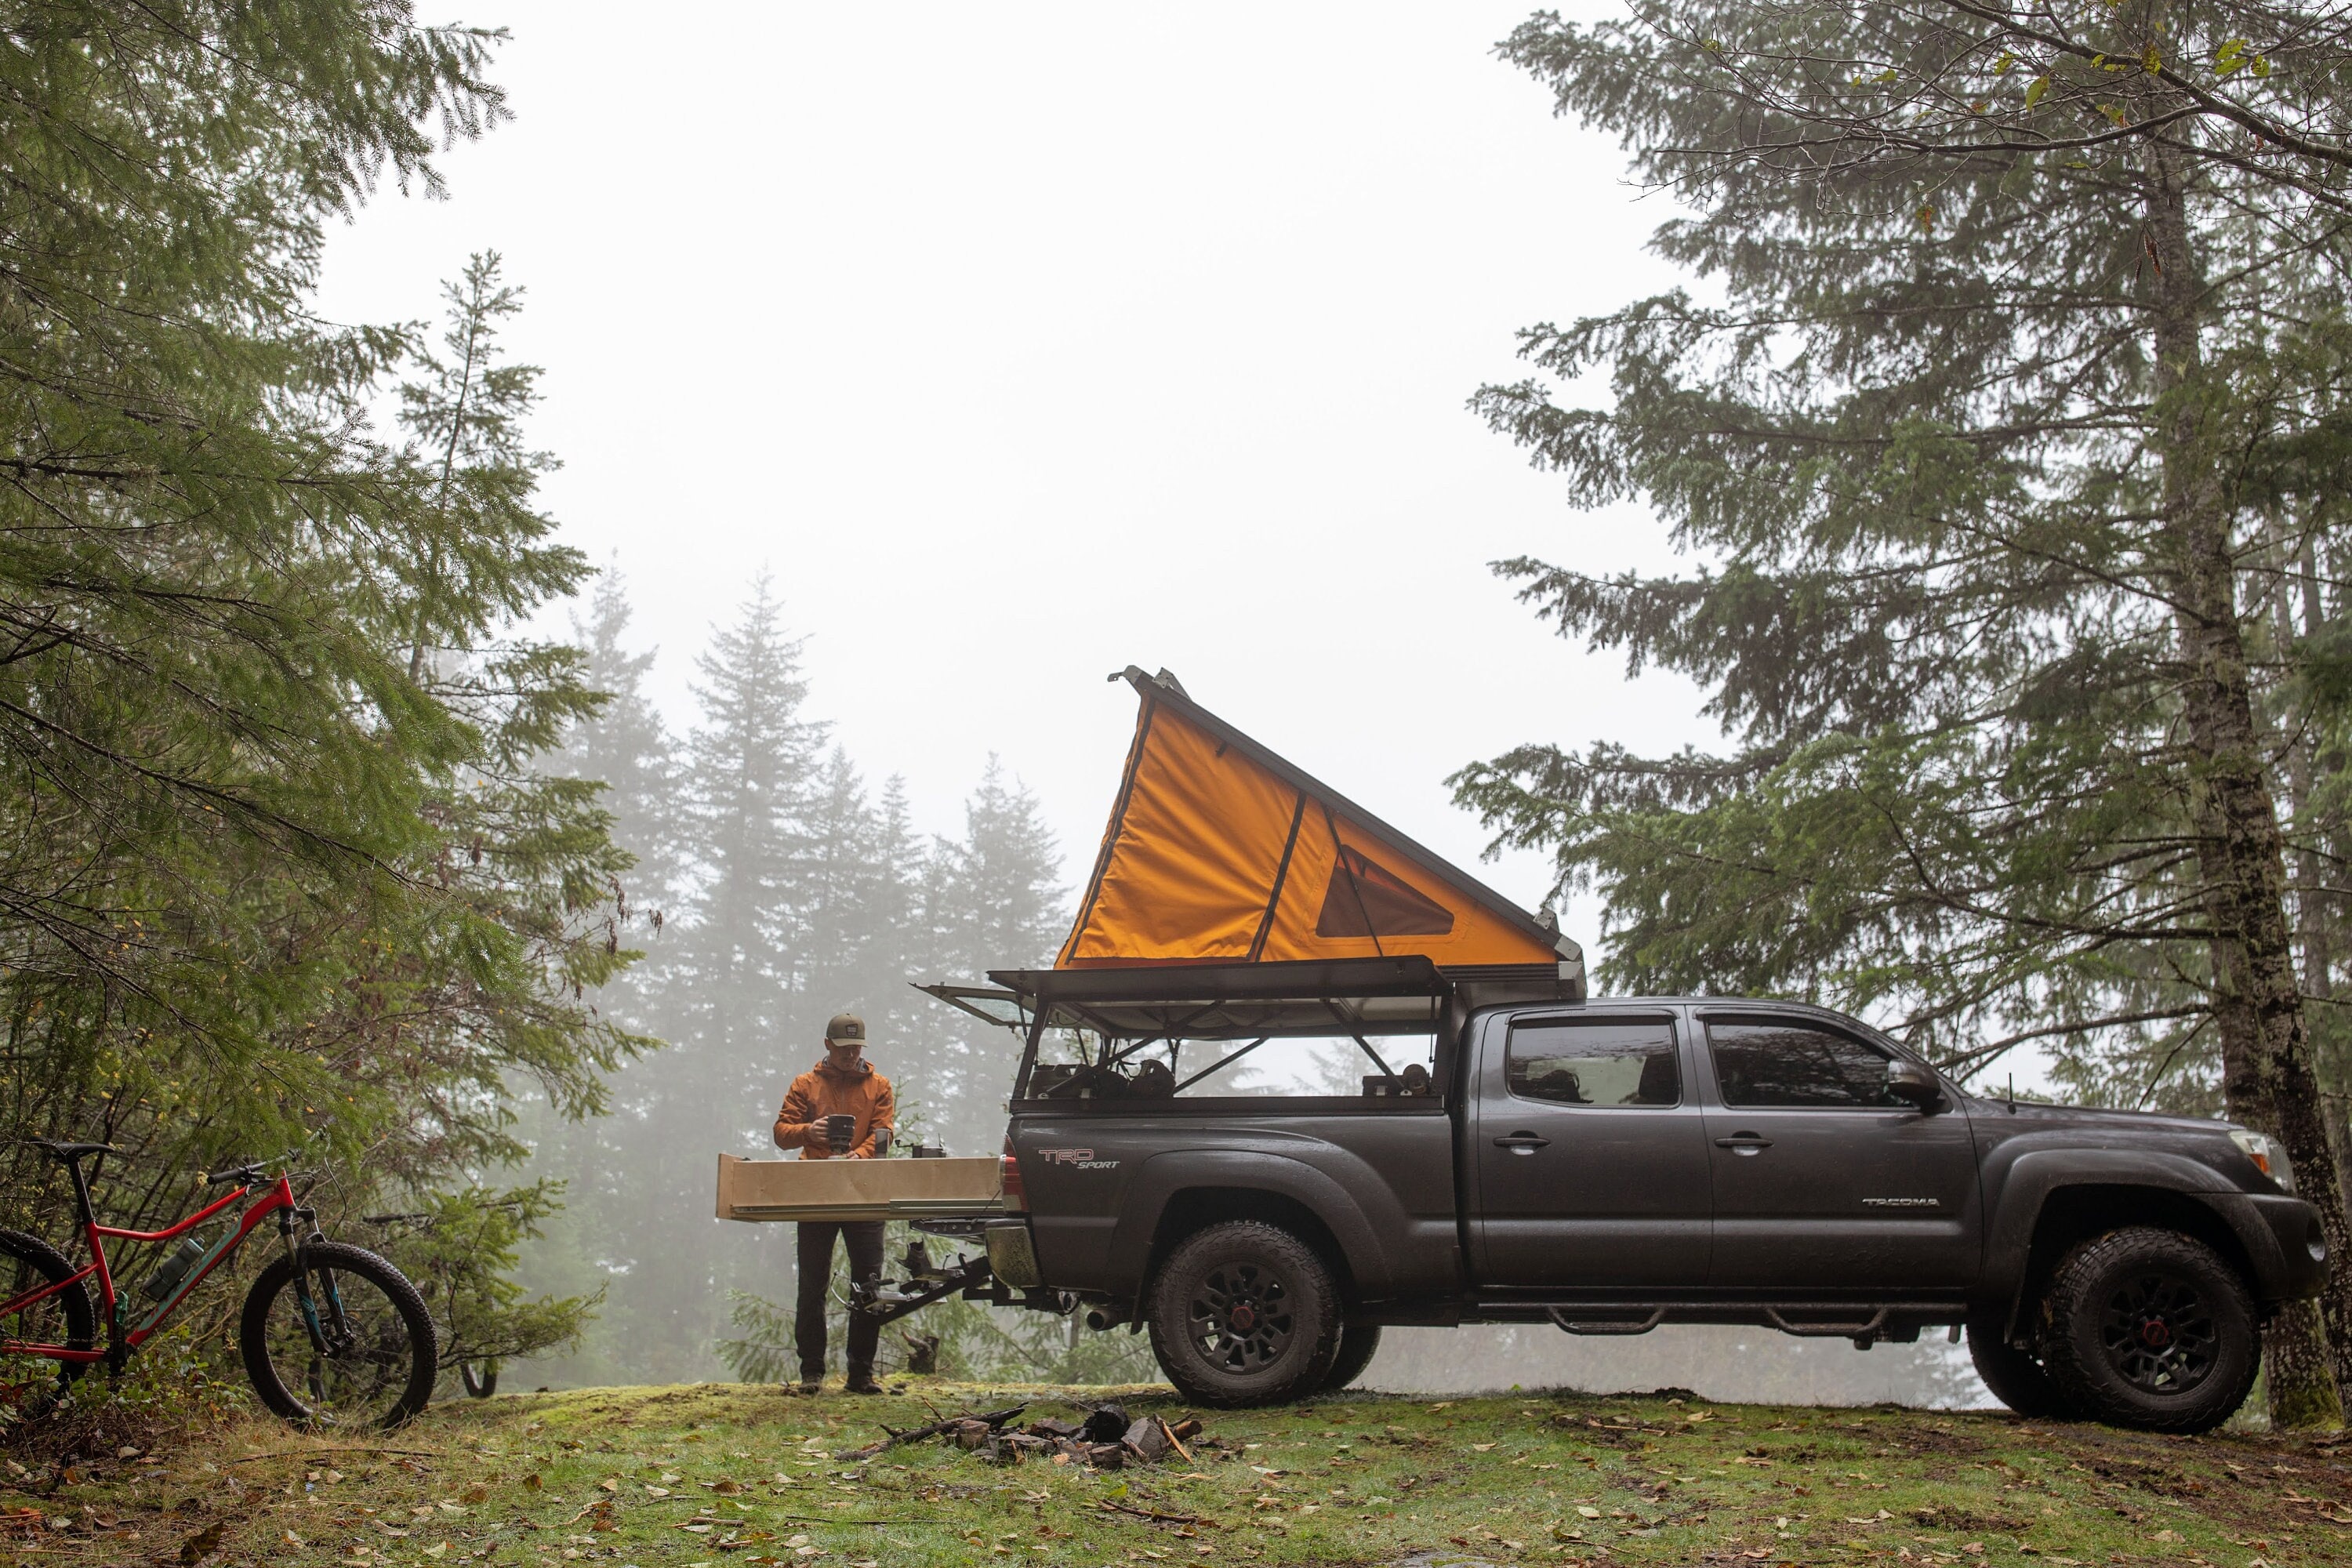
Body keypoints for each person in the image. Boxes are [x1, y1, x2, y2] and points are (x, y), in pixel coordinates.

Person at [772, 1012, 896, 1395]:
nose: (851, 1054)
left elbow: (886, 1133)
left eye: (857, 1047)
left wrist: (860, 1154)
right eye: (844, 1048)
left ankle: (861, 1374)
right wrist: (809, 1130)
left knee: (868, 1284)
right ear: (828, 1045)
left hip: (864, 1192)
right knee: (812, 1284)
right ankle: (812, 1373)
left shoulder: (879, 1086)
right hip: (817, 1192)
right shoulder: (805, 1084)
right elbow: (781, 1133)